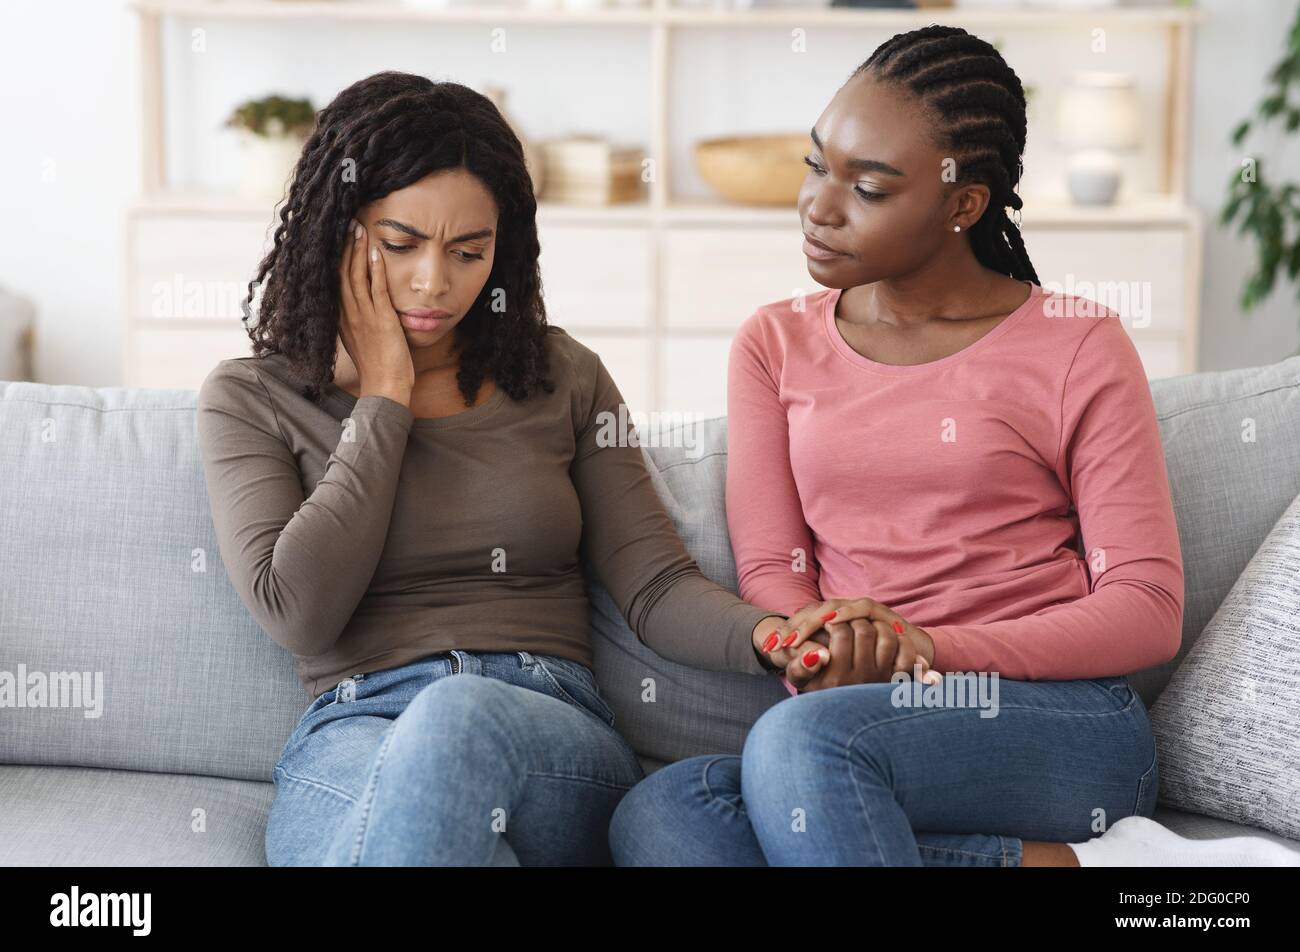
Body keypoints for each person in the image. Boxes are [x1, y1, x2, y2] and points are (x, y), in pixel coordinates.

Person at [608, 24, 1298, 867]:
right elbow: (776, 574)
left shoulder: (1077, 342)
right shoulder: (773, 343)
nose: (820, 206)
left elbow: (1146, 609)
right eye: (817, 164)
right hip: (856, 717)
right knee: (667, 813)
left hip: (1060, 721)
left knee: (802, 751)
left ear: (961, 203)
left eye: (868, 187)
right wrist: (821, 650)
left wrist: (924, 648)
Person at [195, 71, 841, 866]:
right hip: (354, 732)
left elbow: (654, 586)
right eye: (401, 246)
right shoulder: (251, 397)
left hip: (546, 732)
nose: (435, 283)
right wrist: (386, 397)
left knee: (456, 719)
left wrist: (768, 636)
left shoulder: (561, 374)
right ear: (339, 233)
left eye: (469, 252)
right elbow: (299, 612)